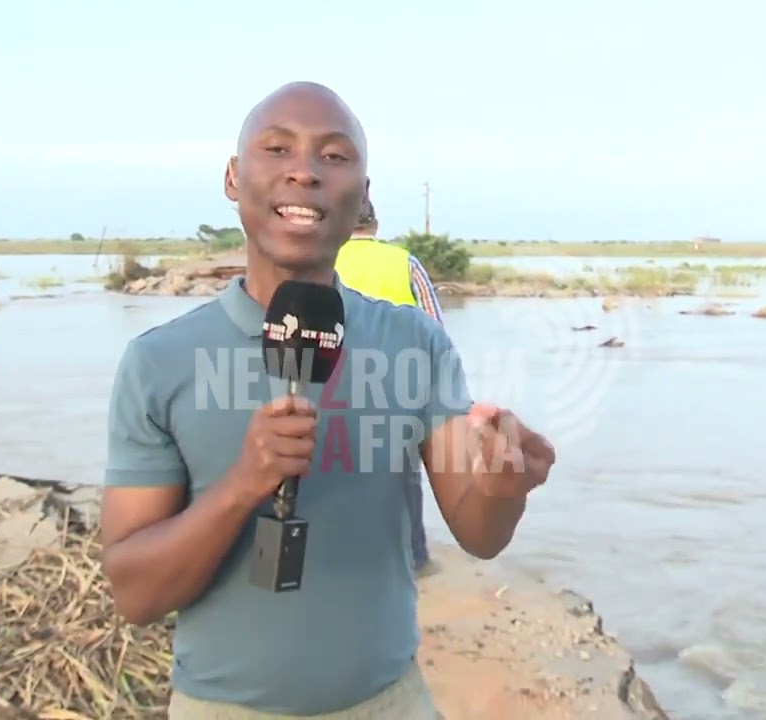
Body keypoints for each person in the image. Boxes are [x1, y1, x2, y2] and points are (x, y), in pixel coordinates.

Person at [99, 81, 556, 720]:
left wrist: (506, 487)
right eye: (277, 148)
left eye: (335, 157)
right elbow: (135, 595)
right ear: (233, 178)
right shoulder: (158, 362)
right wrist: (242, 485)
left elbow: (478, 537)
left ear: (363, 195)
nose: (305, 172)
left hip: (388, 702)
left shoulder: (416, 344)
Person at [335, 198, 444, 577]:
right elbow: (435, 328)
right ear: (376, 226)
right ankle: (415, 559)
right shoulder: (404, 262)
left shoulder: (320, 260)